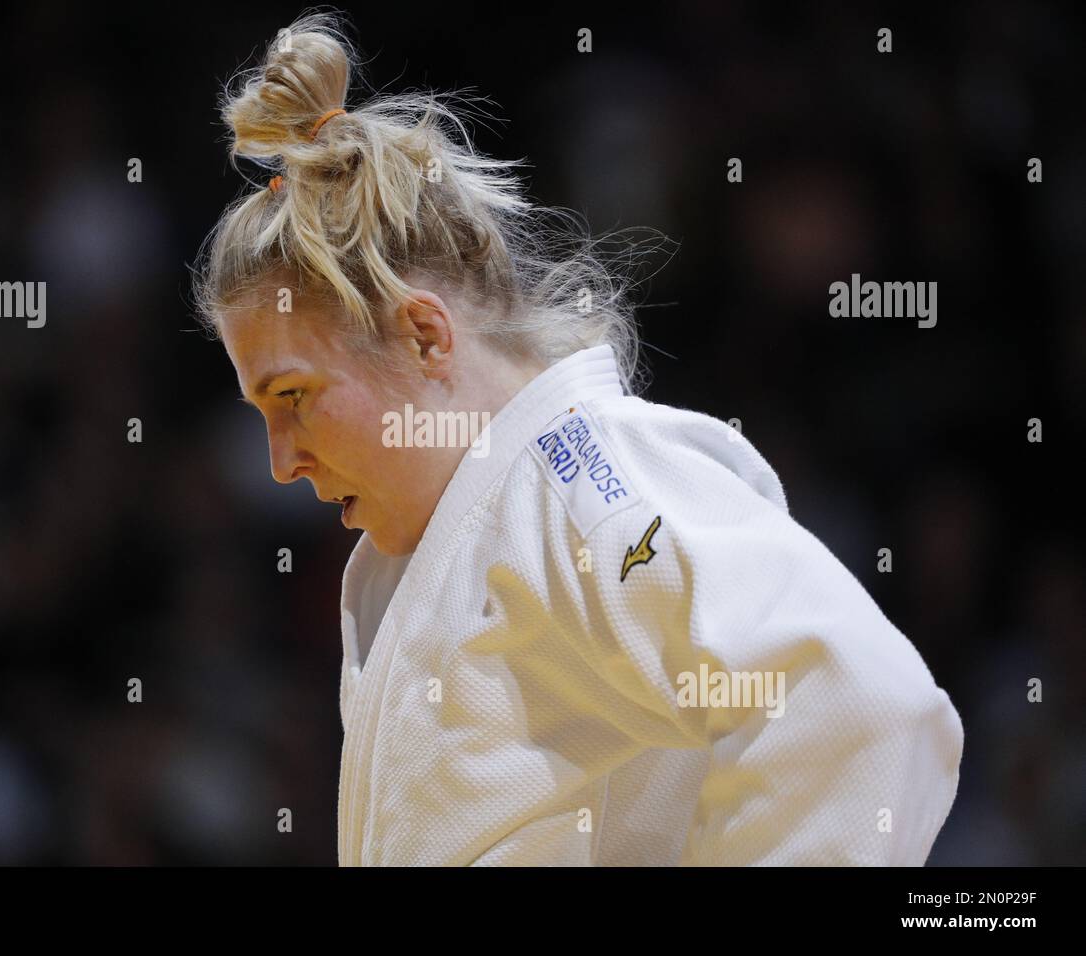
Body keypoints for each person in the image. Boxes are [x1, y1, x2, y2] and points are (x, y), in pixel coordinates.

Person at [193, 11, 964, 865]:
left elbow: (862, 708)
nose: (280, 460)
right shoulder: (429, 551)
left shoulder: (583, 484)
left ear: (424, 337)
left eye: (293, 396)